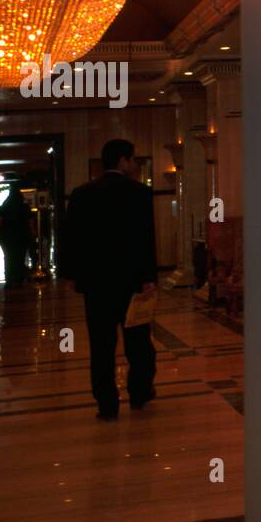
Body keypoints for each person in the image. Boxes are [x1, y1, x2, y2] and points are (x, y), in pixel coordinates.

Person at [61, 139, 158, 421]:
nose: (135, 164)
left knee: (101, 347)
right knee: (138, 344)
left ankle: (107, 404)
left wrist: (70, 274)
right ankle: (139, 393)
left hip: (96, 285)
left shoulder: (81, 194)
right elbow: (145, 240)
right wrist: (149, 277)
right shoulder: (139, 193)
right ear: (122, 161)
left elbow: (71, 239)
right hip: (131, 284)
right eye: (133, 159)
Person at [0, 182, 32, 288]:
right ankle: (19, 278)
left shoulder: (5, 205)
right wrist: (32, 232)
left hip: (7, 236)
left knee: (8, 257)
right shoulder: (24, 206)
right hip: (22, 234)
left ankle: (9, 278)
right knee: (20, 256)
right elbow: (30, 221)